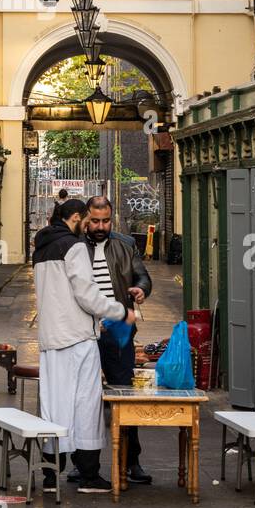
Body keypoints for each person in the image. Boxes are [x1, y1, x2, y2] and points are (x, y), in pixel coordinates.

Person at [32, 198, 136, 493]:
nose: (89, 226)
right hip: (78, 337)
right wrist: (120, 311)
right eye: (86, 220)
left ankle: (52, 475)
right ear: (75, 217)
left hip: (51, 338)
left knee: (54, 406)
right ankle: (89, 475)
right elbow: (87, 294)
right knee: (86, 406)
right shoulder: (75, 246)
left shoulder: (41, 247)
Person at [81, 194, 155, 484]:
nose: (100, 226)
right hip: (85, 331)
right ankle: (85, 463)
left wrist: (141, 291)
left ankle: (131, 461)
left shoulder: (126, 245)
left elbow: (142, 277)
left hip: (119, 331)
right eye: (95, 220)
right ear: (87, 218)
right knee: (86, 399)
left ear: (112, 218)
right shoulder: (75, 247)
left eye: (106, 220)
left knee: (124, 395)